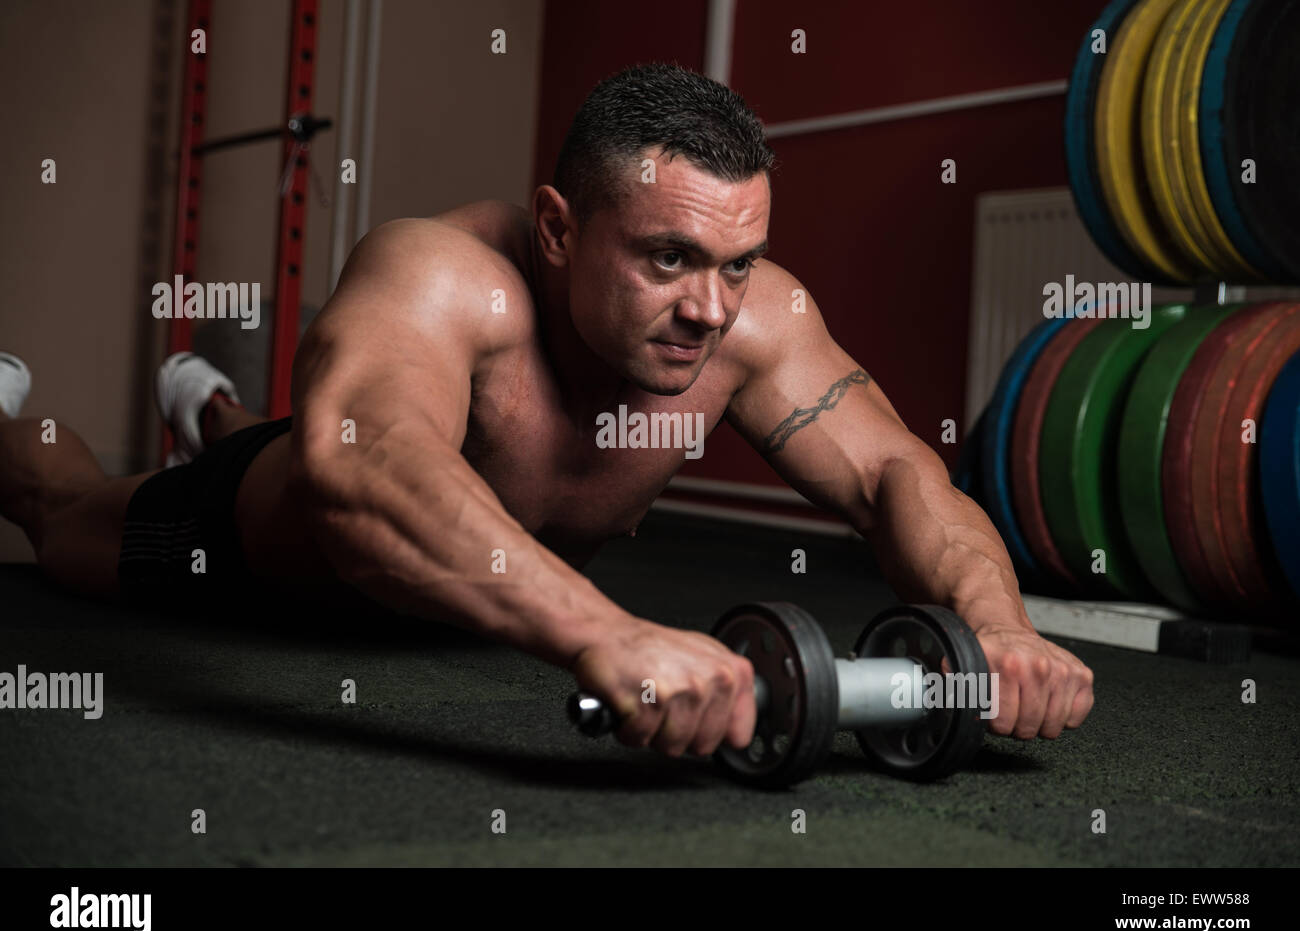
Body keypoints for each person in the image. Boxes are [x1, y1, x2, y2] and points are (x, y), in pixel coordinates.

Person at [0, 63, 1092, 763]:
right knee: (62, 514)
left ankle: (217, 405)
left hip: (443, 551)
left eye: (737, 263)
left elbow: (898, 474)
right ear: (561, 229)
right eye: (668, 257)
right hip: (258, 549)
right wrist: (605, 634)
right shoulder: (441, 273)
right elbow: (359, 461)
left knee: (273, 427)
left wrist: (992, 622)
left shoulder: (752, 320)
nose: (710, 309)